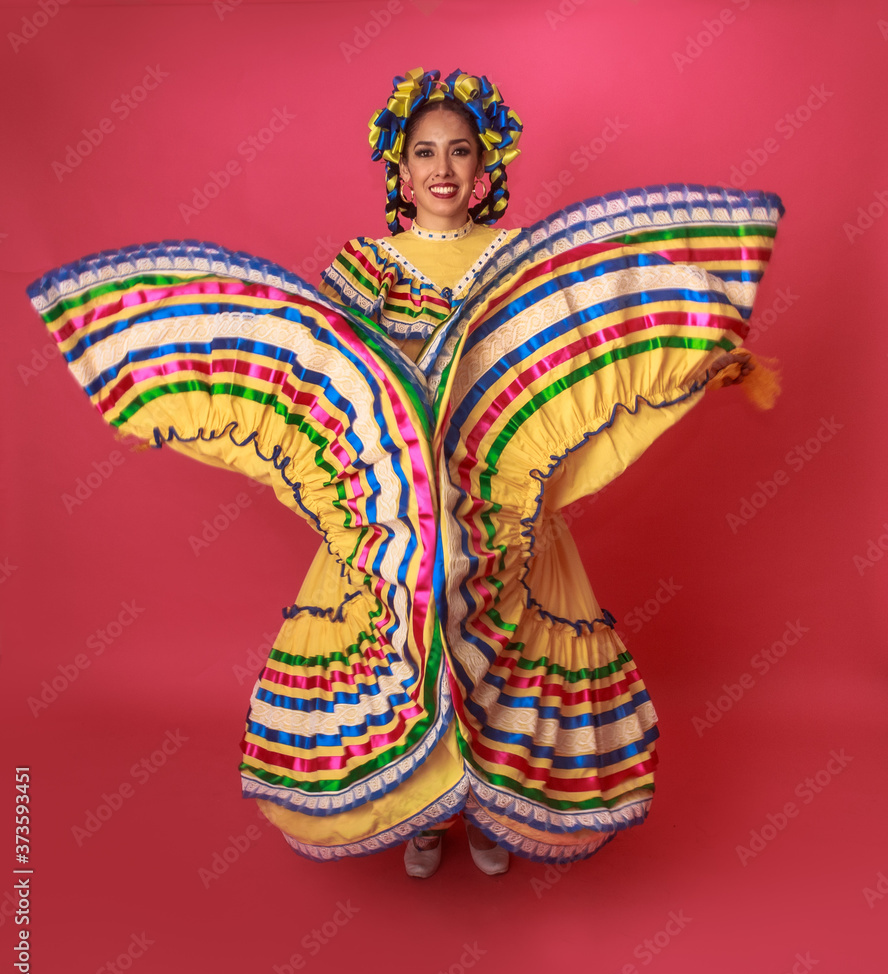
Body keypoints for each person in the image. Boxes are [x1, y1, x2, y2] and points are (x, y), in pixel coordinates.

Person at [26, 67, 783, 881]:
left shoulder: (518, 262)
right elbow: (317, 380)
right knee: (402, 647)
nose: (443, 169)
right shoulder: (366, 268)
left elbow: (586, 359)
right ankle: (422, 815)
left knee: (503, 658)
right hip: (395, 522)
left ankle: (489, 810)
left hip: (504, 515)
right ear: (400, 167)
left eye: (461, 150)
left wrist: (689, 358)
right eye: (425, 152)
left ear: (485, 165)